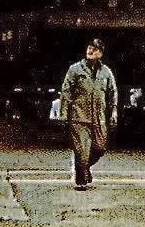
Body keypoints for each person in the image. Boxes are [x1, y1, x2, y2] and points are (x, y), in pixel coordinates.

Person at [60, 39, 117, 190]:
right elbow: (66, 92)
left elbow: (112, 93)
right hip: (79, 117)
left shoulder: (106, 72)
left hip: (99, 118)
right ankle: (81, 180)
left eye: (95, 49)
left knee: (100, 148)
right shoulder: (75, 70)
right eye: (89, 47)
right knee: (82, 151)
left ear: (101, 53)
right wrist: (64, 114)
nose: (90, 51)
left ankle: (83, 168)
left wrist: (114, 112)